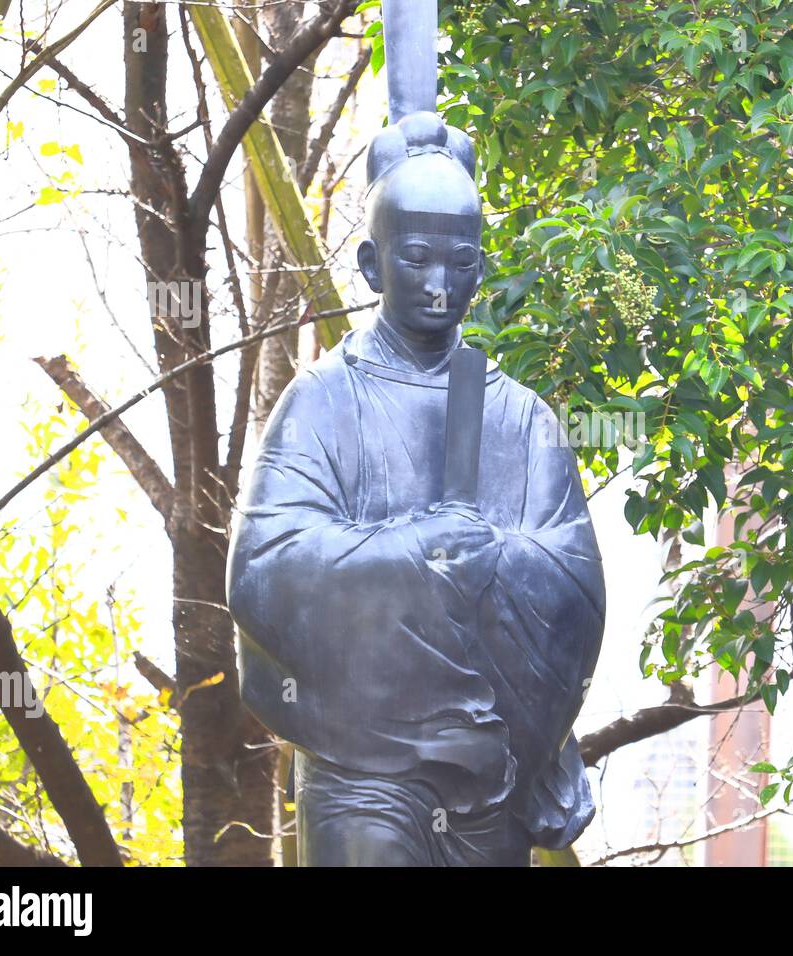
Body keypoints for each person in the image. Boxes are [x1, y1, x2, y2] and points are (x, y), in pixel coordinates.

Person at [226, 110, 605, 866]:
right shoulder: (324, 400)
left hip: (490, 765)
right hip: (360, 768)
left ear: (482, 269)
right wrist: (410, 553)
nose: (440, 284)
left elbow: (577, 583)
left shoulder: (520, 415)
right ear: (372, 265)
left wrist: (494, 557)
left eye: (460, 262)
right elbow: (264, 569)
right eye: (418, 258)